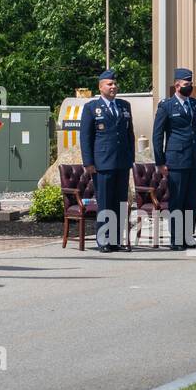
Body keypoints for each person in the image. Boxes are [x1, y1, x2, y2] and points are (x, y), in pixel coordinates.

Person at [79, 69, 134, 253]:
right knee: (105, 203)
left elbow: (129, 135)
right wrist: (89, 163)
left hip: (122, 162)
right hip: (102, 163)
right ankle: (104, 240)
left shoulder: (124, 106)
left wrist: (131, 158)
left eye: (114, 84)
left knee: (120, 203)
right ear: (100, 87)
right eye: (109, 84)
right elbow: (86, 138)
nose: (113, 87)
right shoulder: (91, 108)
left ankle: (117, 240)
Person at [152, 67, 196, 250]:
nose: (189, 86)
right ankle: (176, 238)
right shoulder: (166, 106)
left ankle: (188, 237)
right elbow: (157, 135)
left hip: (194, 160)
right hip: (176, 159)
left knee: (191, 200)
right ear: (177, 85)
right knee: (178, 200)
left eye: (190, 83)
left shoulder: (195, 104)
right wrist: (160, 162)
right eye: (186, 84)